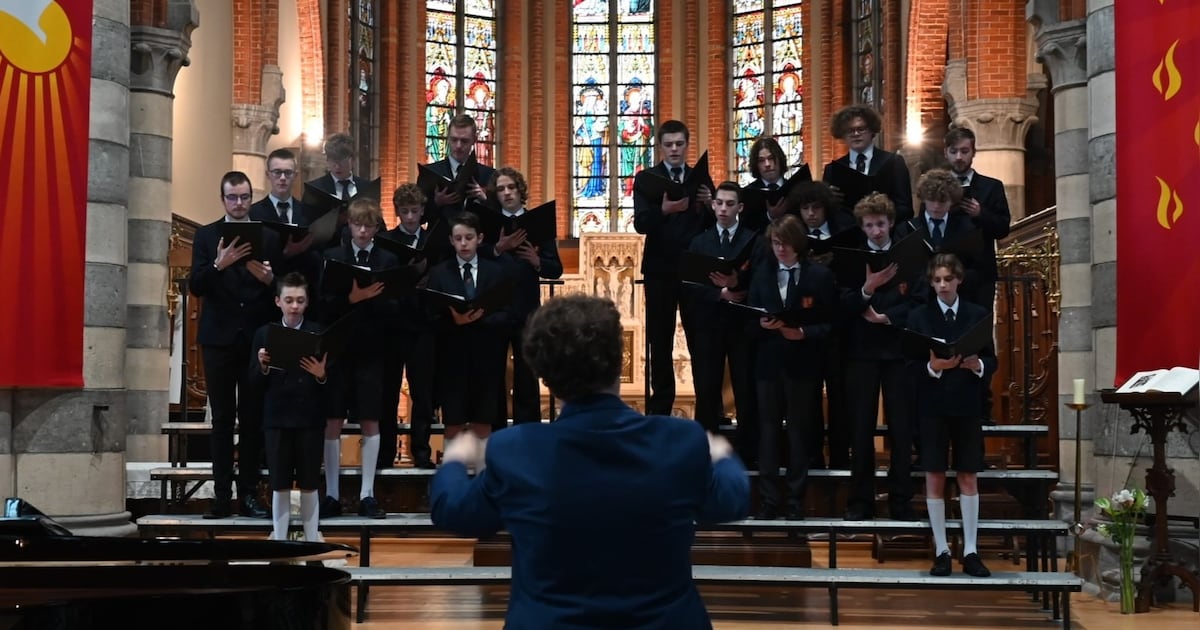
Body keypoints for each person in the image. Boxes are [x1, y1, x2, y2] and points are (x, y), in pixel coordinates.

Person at [431, 295, 749, 629]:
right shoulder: (678, 440)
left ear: (545, 377)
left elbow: (456, 510)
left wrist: (453, 459)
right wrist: (722, 455)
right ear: (618, 360)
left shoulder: (516, 450)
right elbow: (731, 501)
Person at [188, 171, 278, 519]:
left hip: (254, 338)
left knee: (253, 419)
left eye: (244, 197)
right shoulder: (207, 235)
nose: (238, 203)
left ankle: (250, 495)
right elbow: (196, 285)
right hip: (218, 340)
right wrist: (218, 264)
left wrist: (271, 280)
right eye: (232, 197)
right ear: (222, 199)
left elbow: (282, 286)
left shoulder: (267, 236)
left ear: (250, 198)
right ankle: (222, 496)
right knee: (223, 420)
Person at [907, 253, 996, 577]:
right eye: (937, 280)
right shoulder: (919, 317)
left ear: (958, 279)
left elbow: (992, 360)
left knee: (968, 475)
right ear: (931, 283)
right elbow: (909, 365)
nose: (942, 286)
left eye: (948, 279)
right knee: (934, 476)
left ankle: (970, 550)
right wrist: (933, 366)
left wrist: (979, 365)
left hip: (968, 404)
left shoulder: (976, 314)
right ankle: (942, 550)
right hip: (932, 407)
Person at [747, 215, 836, 520]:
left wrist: (803, 333)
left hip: (803, 365)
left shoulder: (819, 277)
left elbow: (831, 324)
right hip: (769, 365)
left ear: (798, 243)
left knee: (799, 432)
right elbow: (747, 323)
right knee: (768, 432)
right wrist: (760, 325)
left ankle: (796, 499)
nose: (780, 249)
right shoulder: (761, 274)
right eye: (775, 243)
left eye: (785, 243)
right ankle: (770, 499)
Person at [318, 198, 402, 519]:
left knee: (370, 419)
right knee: (333, 420)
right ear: (348, 226)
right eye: (358, 225)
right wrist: (352, 298)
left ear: (377, 227)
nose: (364, 231)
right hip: (339, 350)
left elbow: (396, 307)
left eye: (369, 225)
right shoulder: (333, 257)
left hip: (372, 350)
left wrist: (370, 300)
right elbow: (323, 306)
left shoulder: (387, 259)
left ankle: (368, 494)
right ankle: (333, 495)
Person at [840, 193, 922, 520]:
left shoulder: (907, 256)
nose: (875, 231)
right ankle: (860, 502)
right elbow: (843, 302)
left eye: (881, 224)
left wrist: (887, 317)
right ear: (862, 226)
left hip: (898, 351)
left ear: (891, 223)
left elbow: (918, 300)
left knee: (901, 429)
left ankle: (901, 501)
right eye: (869, 225)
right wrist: (867, 289)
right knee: (860, 429)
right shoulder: (852, 259)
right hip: (861, 351)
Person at [632, 119, 713, 415]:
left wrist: (709, 204)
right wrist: (663, 211)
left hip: (695, 269)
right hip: (660, 268)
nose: (675, 149)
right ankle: (660, 408)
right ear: (660, 147)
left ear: (687, 145)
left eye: (680, 144)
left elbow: (716, 227)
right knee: (660, 339)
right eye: (669, 144)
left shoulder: (699, 178)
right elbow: (641, 223)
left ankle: (708, 408)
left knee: (701, 339)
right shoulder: (646, 179)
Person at [682, 182, 759, 463]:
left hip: (742, 326)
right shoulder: (700, 242)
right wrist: (721, 292)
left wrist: (739, 286)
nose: (724, 208)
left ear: (740, 208)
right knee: (707, 389)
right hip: (709, 325)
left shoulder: (753, 240)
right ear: (712, 205)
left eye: (730, 204)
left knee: (745, 390)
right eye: (719, 203)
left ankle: (748, 454)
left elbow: (761, 281)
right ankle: (707, 453)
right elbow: (690, 284)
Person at [482, 167, 563, 427]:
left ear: (520, 190)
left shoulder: (537, 223)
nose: (506, 193)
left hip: (527, 310)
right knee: (493, 376)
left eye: (511, 188)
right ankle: (494, 438)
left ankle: (526, 434)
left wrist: (537, 260)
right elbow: (475, 257)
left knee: (527, 377)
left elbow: (556, 268)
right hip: (495, 309)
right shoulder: (488, 223)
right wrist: (497, 247)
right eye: (501, 189)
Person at [251, 272, 329, 542]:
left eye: (300, 300)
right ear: (278, 301)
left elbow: (333, 382)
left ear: (307, 303)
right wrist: (261, 366)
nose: (294, 306)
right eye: (289, 300)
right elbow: (252, 382)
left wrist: (321, 374)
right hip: (277, 418)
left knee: (309, 484)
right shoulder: (264, 334)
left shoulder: (318, 332)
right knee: (279, 484)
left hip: (309, 419)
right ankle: (280, 542)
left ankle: (310, 542)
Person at [425, 211, 514, 440]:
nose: (464, 243)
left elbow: (506, 315)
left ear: (480, 238)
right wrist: (454, 320)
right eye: (458, 238)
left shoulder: (496, 272)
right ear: (451, 241)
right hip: (453, 360)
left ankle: (482, 474)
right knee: (453, 424)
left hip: (486, 359)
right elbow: (430, 316)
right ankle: (454, 474)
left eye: (469, 237)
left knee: (483, 423)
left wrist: (480, 317)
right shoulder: (439, 273)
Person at [378, 183, 440, 469]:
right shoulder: (386, 241)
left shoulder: (433, 241)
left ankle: (422, 449)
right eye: (405, 211)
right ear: (397, 212)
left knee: (422, 393)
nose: (411, 217)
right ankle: (386, 451)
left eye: (415, 211)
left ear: (423, 211)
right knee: (388, 392)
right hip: (392, 325)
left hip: (424, 324)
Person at [942, 127, 1012, 311]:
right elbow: (924, 228)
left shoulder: (992, 187)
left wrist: (981, 214)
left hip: (980, 272)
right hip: (944, 271)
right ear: (946, 153)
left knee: (979, 330)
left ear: (973, 152)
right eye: (953, 151)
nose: (959, 157)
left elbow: (1003, 228)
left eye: (964, 151)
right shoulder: (935, 188)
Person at [821, 105, 913, 223]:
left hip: (887, 236)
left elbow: (905, 208)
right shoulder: (832, 169)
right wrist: (827, 200)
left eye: (861, 129)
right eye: (850, 130)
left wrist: (880, 222)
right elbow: (826, 214)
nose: (856, 134)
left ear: (872, 131)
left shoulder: (893, 162)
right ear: (842, 135)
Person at [251, 148, 320, 288]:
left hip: (300, 290)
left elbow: (316, 257)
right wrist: (285, 254)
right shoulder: (253, 213)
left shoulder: (309, 213)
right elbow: (253, 258)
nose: (282, 178)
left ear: (295, 175)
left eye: (288, 173)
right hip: (263, 294)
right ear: (267, 175)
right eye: (277, 172)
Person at [425, 113, 496, 219]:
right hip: (441, 234)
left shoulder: (489, 175)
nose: (458, 146)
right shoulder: (431, 172)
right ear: (447, 138)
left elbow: (497, 216)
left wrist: (484, 199)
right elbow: (419, 218)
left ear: (474, 140)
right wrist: (436, 202)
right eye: (454, 140)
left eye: (464, 141)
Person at [740, 136, 793, 234]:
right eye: (761, 160)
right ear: (756, 165)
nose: (767, 164)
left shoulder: (794, 188)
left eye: (771, 158)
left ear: (780, 159)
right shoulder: (748, 193)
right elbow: (746, 230)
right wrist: (770, 216)